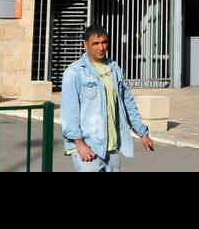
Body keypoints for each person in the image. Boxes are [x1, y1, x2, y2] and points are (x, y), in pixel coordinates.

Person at [61, 26, 154, 172]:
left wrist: (142, 133)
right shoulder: (74, 73)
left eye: (104, 42)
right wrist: (80, 144)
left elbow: (127, 103)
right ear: (85, 45)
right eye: (95, 43)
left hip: (111, 147)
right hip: (88, 147)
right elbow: (69, 112)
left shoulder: (114, 68)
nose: (101, 47)